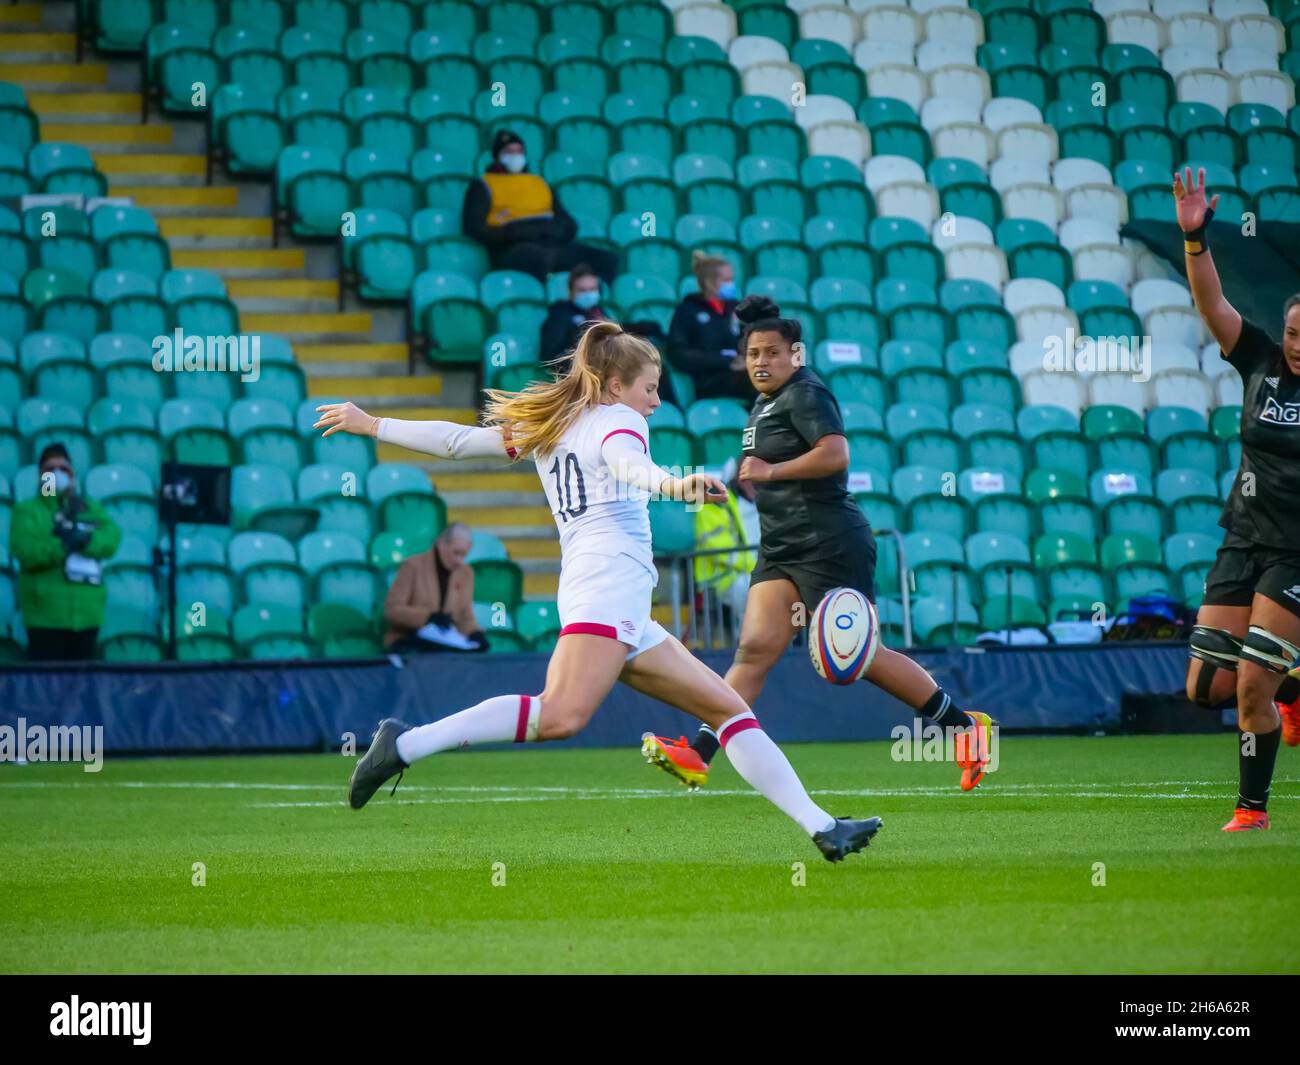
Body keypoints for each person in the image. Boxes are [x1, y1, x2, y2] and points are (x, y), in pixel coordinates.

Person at [314, 322, 882, 861]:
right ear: (616, 386)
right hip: (607, 585)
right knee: (559, 716)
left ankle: (823, 827)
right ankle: (404, 745)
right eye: (650, 388)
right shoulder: (618, 420)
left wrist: (374, 424)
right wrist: (675, 483)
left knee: (728, 709)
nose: (656, 402)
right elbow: (630, 466)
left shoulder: (554, 424)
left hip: (613, 593)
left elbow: (457, 441)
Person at [642, 297, 994, 791]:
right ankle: (699, 753)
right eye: (753, 353)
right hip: (782, 545)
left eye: (772, 352)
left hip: (828, 541)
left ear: (797, 356)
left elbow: (835, 454)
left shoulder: (807, 394)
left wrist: (771, 471)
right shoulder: (764, 403)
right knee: (754, 650)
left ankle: (965, 730)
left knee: (865, 657)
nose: (761, 361)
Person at [1174, 165, 1300, 832]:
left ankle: (1252, 810)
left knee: (1253, 687)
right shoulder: (1259, 360)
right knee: (1205, 689)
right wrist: (1196, 238)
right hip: (1242, 539)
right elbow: (1212, 305)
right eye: (1295, 335)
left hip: (1295, 554)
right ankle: (1295, 682)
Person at [10, 442, 121, 661]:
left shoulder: (89, 507)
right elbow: (26, 551)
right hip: (46, 617)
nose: (57, 474)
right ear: (41, 476)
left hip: (88, 615)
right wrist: (63, 543)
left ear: (73, 475)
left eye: (64, 469)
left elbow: (111, 538)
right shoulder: (27, 511)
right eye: (50, 469)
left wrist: (84, 540)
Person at [461, 130, 618, 284]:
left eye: (519, 151)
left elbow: (568, 223)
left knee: (605, 259)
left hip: (550, 242)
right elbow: (474, 228)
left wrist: (553, 231)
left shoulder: (539, 183)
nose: (515, 156)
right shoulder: (483, 185)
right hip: (512, 247)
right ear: (497, 156)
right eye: (509, 151)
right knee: (542, 259)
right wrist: (515, 232)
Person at [383, 523, 488, 653]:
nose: (459, 560)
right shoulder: (412, 566)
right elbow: (392, 611)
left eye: (464, 555)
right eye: (456, 553)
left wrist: (474, 633)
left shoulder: (466, 573)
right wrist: (427, 618)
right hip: (409, 639)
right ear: (441, 544)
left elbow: (465, 615)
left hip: (445, 643)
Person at [667, 252, 753, 401]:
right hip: (708, 380)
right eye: (726, 280)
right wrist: (727, 362)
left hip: (740, 372)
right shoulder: (687, 310)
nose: (731, 284)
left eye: (731, 279)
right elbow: (678, 353)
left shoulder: (735, 307)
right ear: (708, 283)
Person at [691, 457, 757, 644]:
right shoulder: (714, 503)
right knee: (754, 592)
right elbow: (721, 549)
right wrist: (757, 567)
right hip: (720, 579)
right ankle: (749, 648)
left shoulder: (741, 505)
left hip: (742, 574)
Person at [539, 263, 612, 363]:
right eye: (582, 290)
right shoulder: (559, 315)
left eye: (592, 289)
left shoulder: (600, 312)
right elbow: (550, 355)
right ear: (571, 293)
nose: (588, 294)